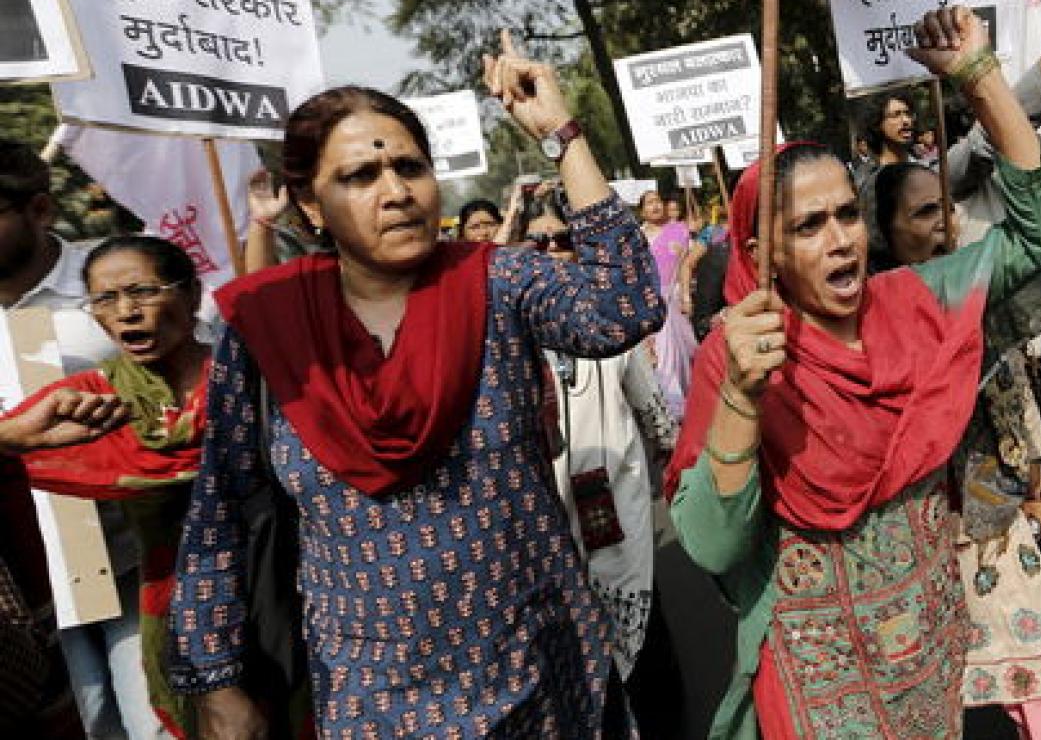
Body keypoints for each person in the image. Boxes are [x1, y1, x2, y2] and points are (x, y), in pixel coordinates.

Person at [167, 39, 665, 738]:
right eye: (361, 175)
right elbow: (219, 510)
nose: (396, 191)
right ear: (310, 204)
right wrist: (218, 681)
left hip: (547, 674)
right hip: (378, 701)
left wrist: (561, 131)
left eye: (410, 167)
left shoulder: (495, 283)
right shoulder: (266, 330)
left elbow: (627, 304)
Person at [665, 4, 1041, 739]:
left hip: (930, 648)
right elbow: (712, 545)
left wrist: (978, 77)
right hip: (819, 677)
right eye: (807, 226)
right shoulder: (743, 350)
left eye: (847, 216)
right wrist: (740, 396)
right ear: (766, 256)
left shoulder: (917, 300)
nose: (839, 241)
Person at [866, 160, 1041, 737]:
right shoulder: (878, 313)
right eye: (923, 212)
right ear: (884, 231)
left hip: (990, 511)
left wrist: (1030, 481)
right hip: (922, 526)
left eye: (946, 207)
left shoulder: (972, 282)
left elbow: (1005, 385)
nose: (944, 224)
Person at [1, 236, 217, 738]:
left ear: (191, 295)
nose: (126, 312)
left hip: (243, 583)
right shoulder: (91, 397)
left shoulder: (242, 382)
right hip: (89, 578)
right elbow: (20, 450)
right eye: (105, 300)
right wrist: (13, 440)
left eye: (143, 291)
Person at [0, 138, 166, 738]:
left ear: (39, 211)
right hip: (28, 593)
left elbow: (197, 385)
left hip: (136, 561)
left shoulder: (116, 278)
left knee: (153, 724)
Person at [525, 191, 679, 682]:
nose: (551, 250)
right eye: (539, 241)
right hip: (549, 512)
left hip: (618, 495)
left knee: (637, 621)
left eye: (562, 239)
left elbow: (651, 409)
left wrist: (674, 462)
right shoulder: (508, 330)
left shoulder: (610, 323)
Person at [638, 190, 700, 418]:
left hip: (677, 300)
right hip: (653, 303)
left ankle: (694, 396)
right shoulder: (638, 237)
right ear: (642, 210)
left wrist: (685, 294)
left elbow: (690, 266)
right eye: (650, 203)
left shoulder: (679, 231)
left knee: (687, 351)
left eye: (658, 201)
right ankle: (674, 407)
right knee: (665, 356)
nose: (655, 206)